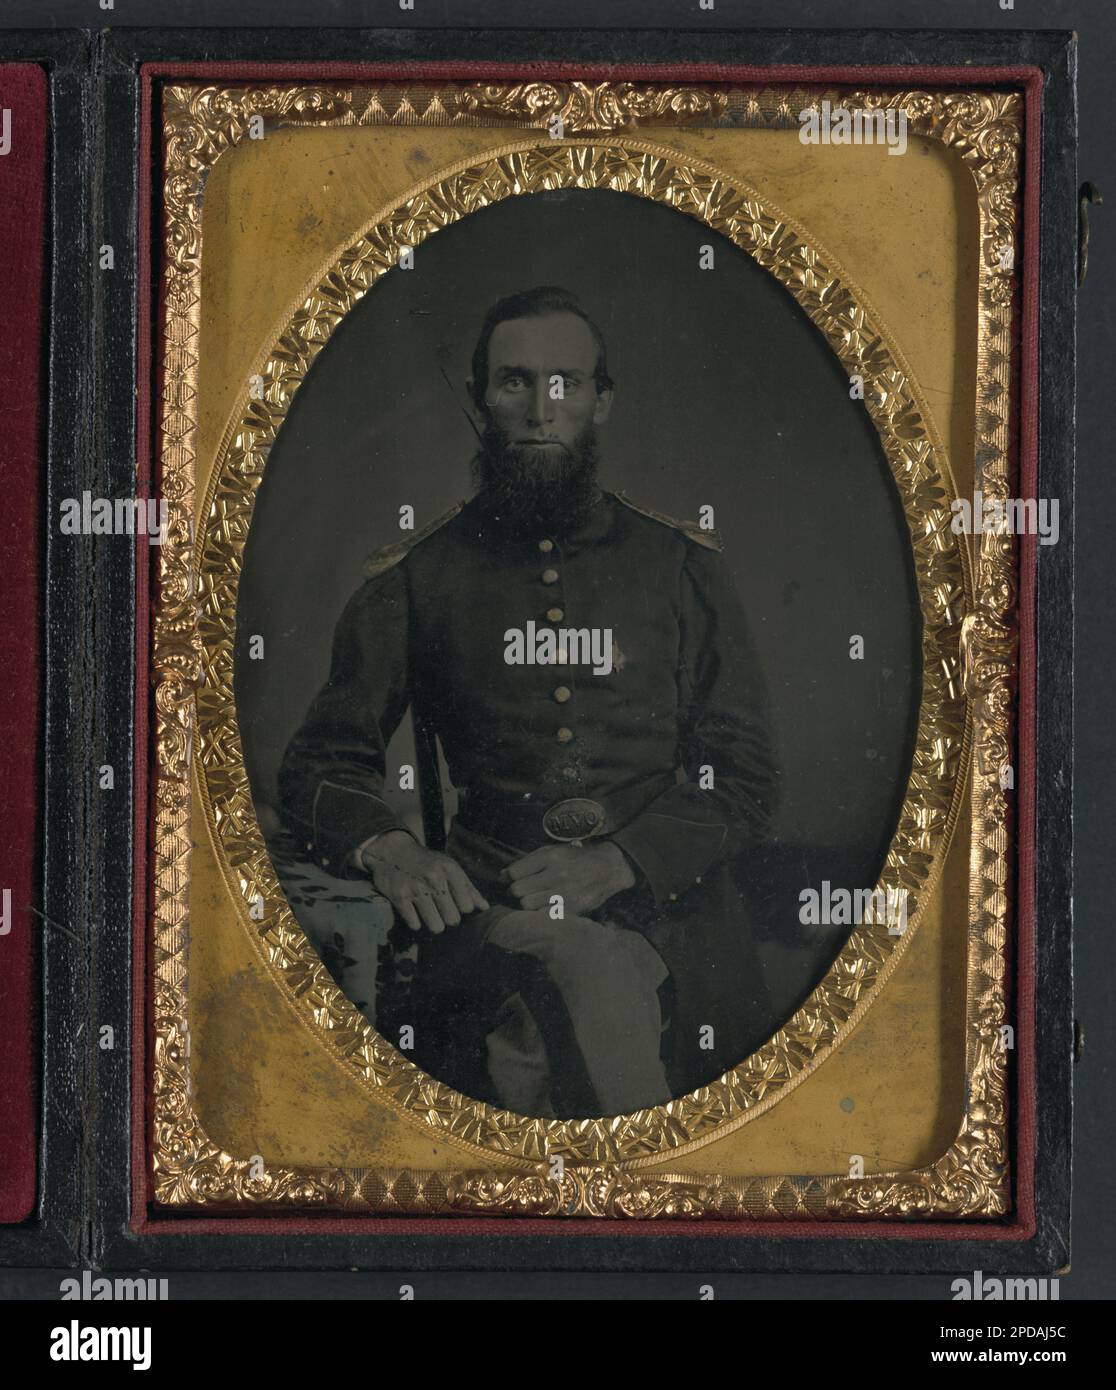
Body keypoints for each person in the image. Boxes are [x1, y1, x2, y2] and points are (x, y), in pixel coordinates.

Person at [278, 285, 780, 1117]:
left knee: (597, 991)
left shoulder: (682, 567)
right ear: (481, 403)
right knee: (575, 976)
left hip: (673, 914)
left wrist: (621, 861)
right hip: (488, 907)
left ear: (602, 401)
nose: (542, 409)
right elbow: (320, 762)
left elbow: (749, 777)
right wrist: (390, 851)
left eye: (567, 383)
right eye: (516, 382)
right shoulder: (416, 578)